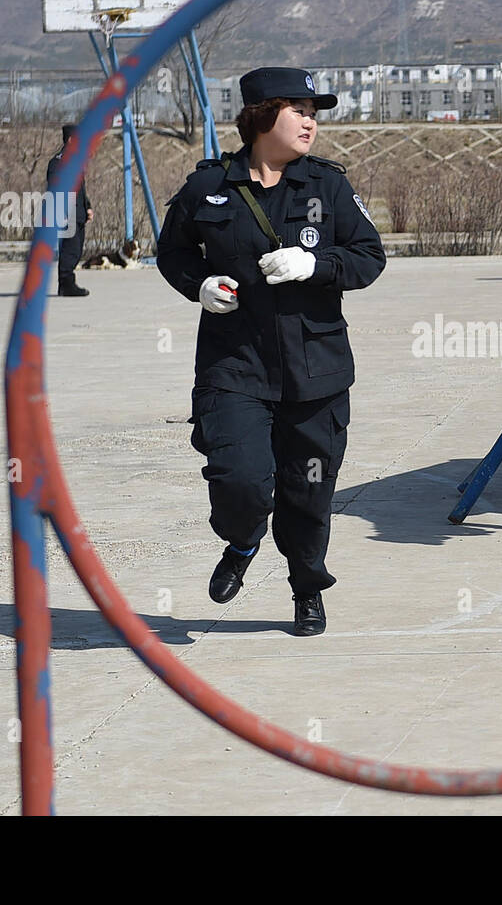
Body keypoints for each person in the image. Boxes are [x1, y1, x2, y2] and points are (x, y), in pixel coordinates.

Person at [157, 67, 386, 636]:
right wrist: (201, 286)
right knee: (241, 481)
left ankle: (307, 588)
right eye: (298, 110)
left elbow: (369, 256)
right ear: (262, 117)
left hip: (316, 371)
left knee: (308, 493)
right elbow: (174, 253)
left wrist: (319, 265)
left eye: (314, 111)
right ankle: (242, 538)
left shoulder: (328, 187)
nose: (311, 121)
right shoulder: (207, 187)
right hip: (235, 365)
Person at [46, 124, 95, 296]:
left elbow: (80, 188)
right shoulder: (58, 163)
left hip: (78, 213)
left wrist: (87, 207)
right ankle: (66, 284)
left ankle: (68, 282)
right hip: (68, 213)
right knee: (70, 250)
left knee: (76, 249)